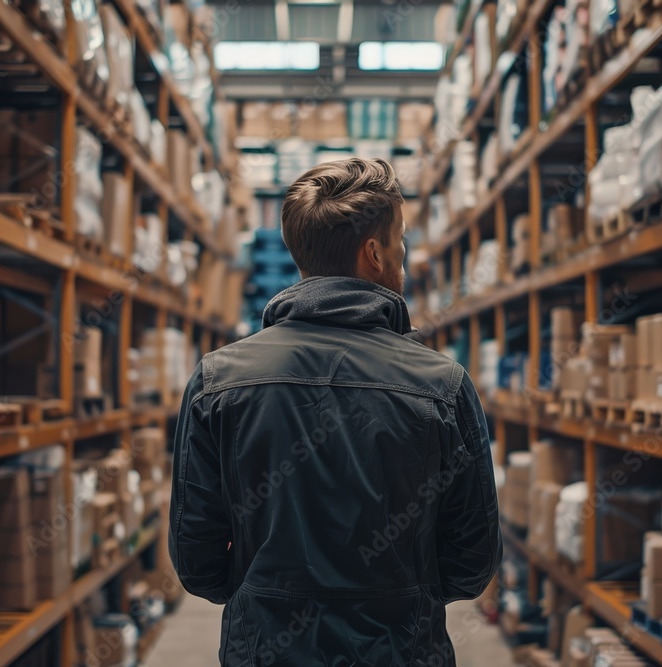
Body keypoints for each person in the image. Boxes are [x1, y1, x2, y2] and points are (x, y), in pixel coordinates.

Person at [169, 158, 503, 666]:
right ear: (374, 253)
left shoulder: (219, 380)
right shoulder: (442, 385)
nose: (405, 259)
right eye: (402, 243)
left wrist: (263, 595)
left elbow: (198, 562)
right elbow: (472, 562)